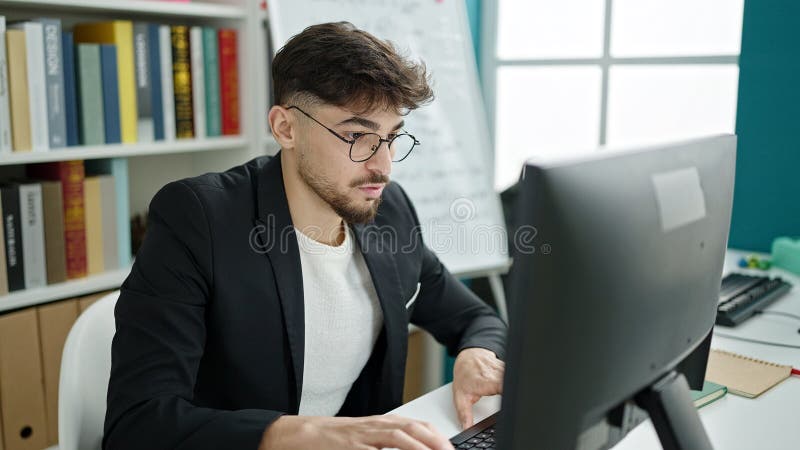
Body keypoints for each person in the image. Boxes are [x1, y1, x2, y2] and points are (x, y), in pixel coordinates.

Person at [103, 22, 506, 450]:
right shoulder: (199, 219)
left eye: (391, 137)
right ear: (285, 128)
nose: (384, 167)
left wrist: (476, 356)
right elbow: (137, 425)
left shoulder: (388, 212)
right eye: (357, 136)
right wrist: (302, 431)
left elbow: (474, 318)